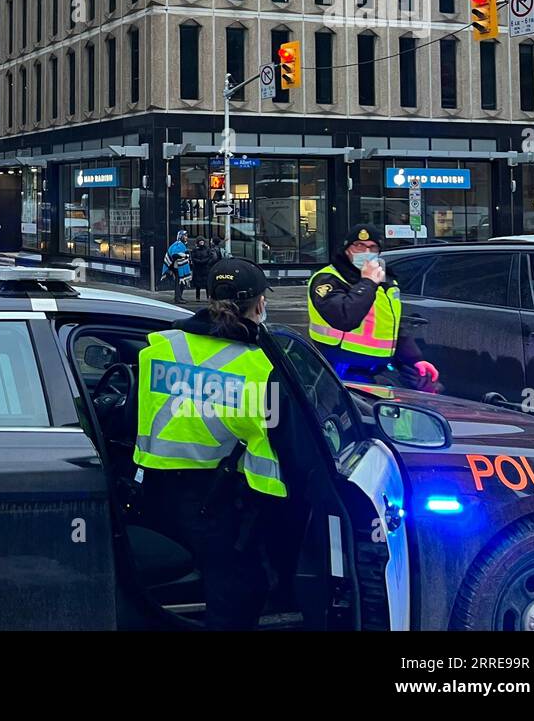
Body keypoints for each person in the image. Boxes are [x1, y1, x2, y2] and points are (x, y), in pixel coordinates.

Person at [134, 258, 286, 630]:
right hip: (220, 499)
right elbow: (279, 441)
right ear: (259, 305)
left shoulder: (158, 348)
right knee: (236, 591)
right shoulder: (264, 369)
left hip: (151, 492)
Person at [307, 224, 439, 391]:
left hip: (375, 372)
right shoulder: (329, 279)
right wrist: (367, 283)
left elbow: (391, 326)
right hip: (341, 370)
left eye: (372, 247)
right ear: (347, 249)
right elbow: (345, 318)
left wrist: (414, 360)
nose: (365, 252)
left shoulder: (386, 280)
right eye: (359, 245)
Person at [162, 229, 191, 304]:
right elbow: (174, 255)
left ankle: (179, 297)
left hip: (180, 266)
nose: (186, 237)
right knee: (179, 282)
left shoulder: (182, 244)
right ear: (181, 236)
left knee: (181, 282)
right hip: (177, 267)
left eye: (186, 235)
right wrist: (183, 255)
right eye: (185, 235)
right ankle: (178, 298)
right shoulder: (178, 244)